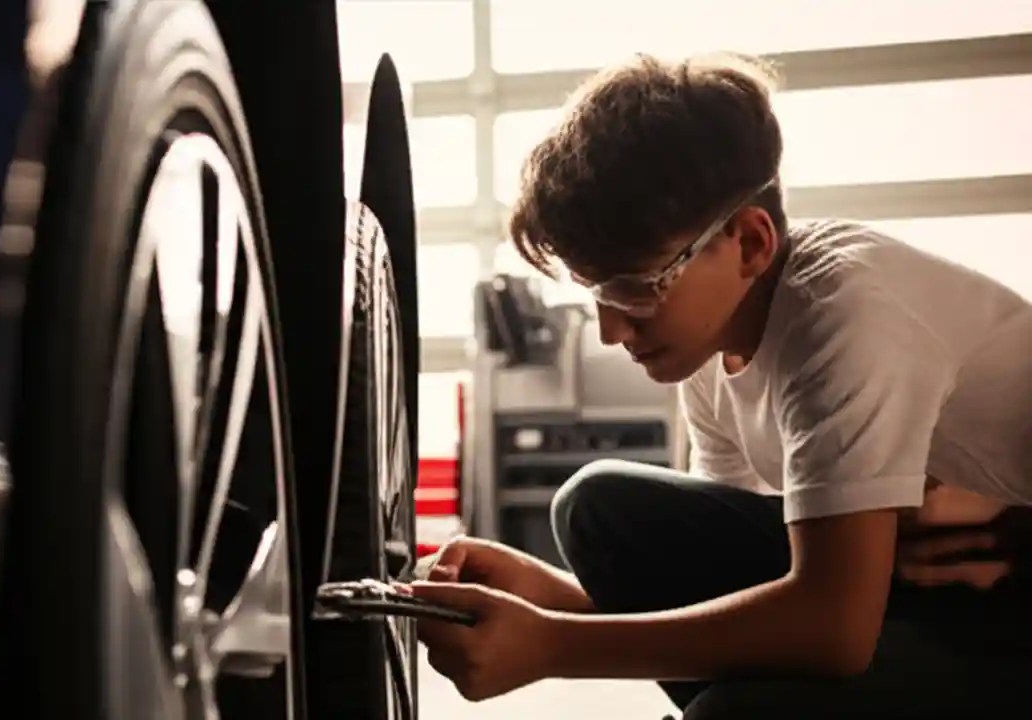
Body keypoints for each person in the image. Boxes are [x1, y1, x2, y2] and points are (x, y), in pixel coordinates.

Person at [411, 51, 1032, 718]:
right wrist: (547, 601)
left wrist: (553, 646)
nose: (611, 331)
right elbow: (729, 598)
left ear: (750, 242)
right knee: (598, 510)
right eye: (597, 293)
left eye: (636, 289)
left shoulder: (847, 315)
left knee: (734, 711)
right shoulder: (715, 350)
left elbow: (833, 630)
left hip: (1010, 622)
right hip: (917, 602)